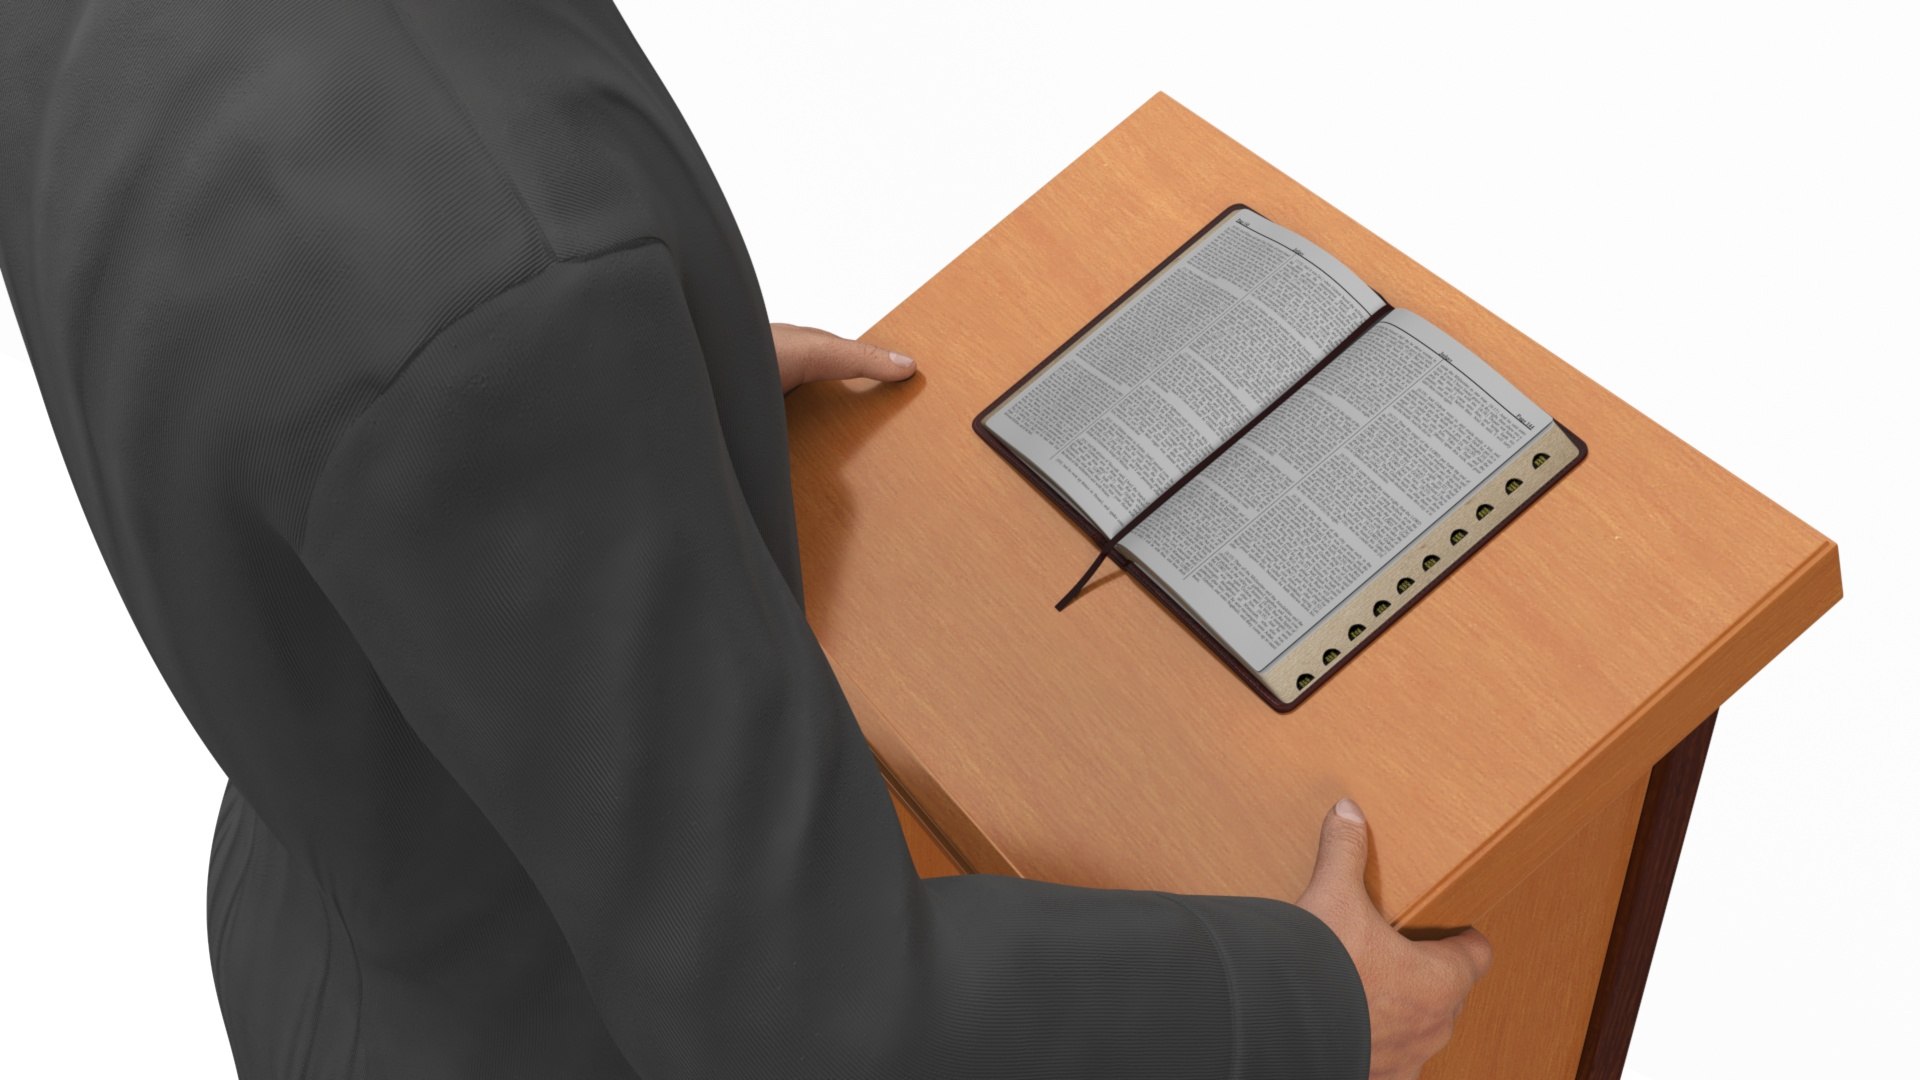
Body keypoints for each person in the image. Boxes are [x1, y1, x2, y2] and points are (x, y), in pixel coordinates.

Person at [0, 3, 1490, 1077]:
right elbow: (810, 1026)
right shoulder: (494, 294)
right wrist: (1311, 1008)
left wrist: (634, 395)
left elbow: (264, 327)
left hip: (335, 893)